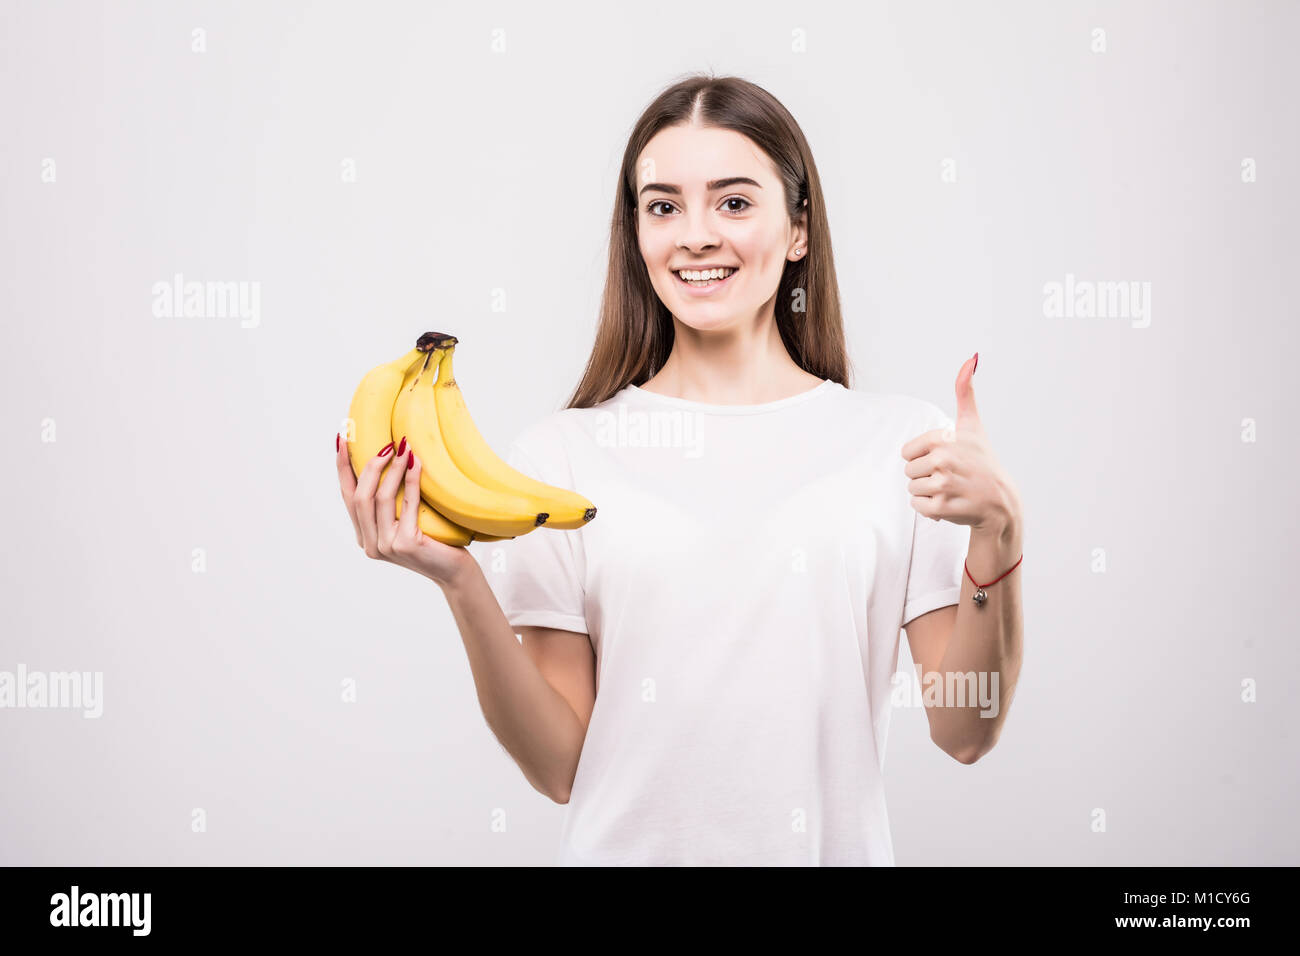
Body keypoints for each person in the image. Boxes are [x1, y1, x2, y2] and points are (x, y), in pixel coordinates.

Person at [335, 73, 1025, 866]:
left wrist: (997, 536)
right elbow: (560, 767)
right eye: (663, 206)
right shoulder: (559, 466)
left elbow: (965, 732)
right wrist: (461, 580)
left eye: (734, 202)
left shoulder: (899, 445)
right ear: (636, 232)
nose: (695, 235)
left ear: (799, 228)